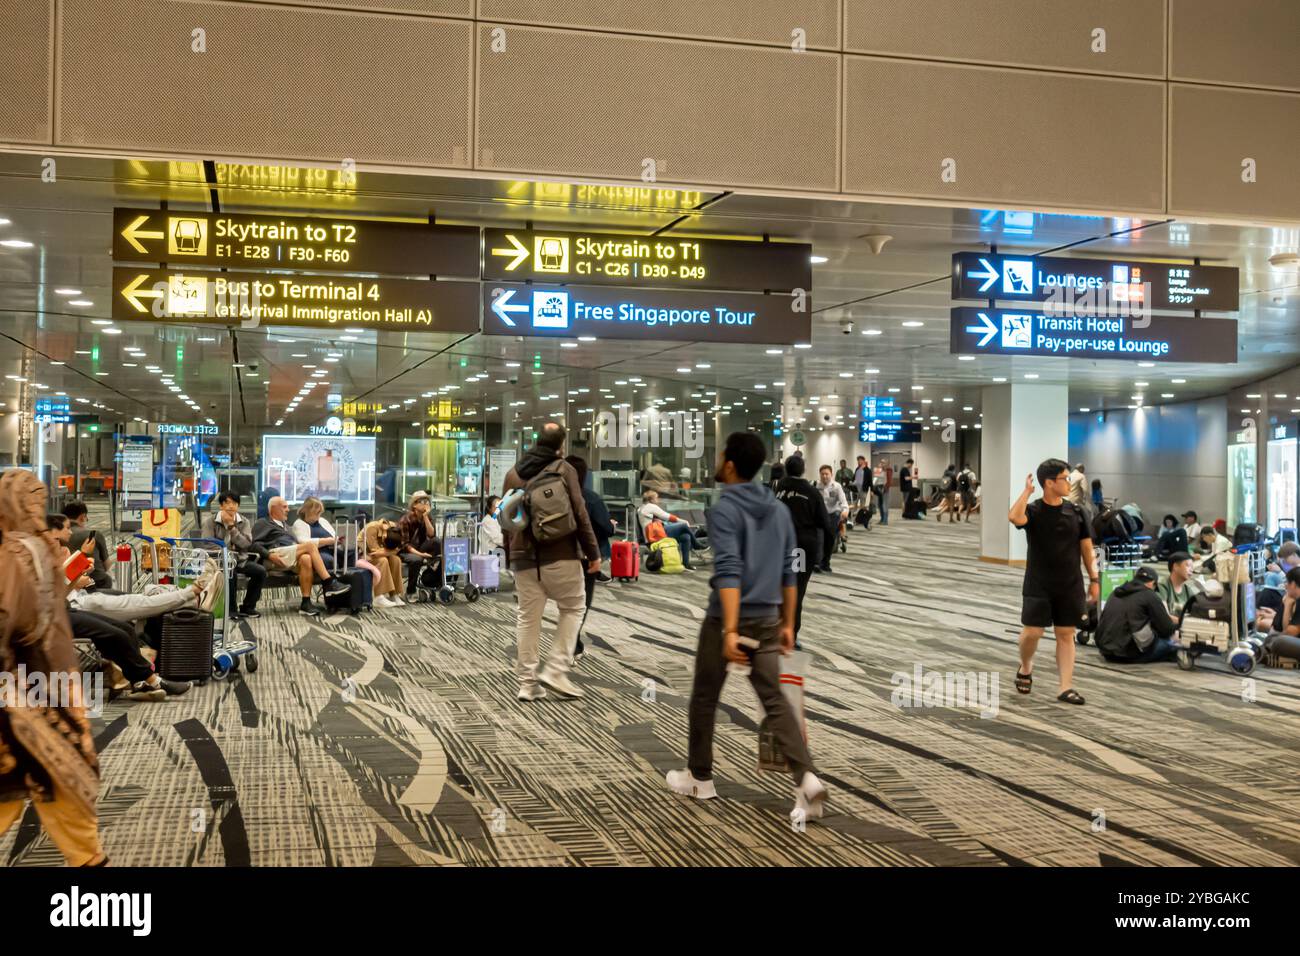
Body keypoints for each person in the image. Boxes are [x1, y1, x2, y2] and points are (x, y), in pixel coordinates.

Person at [664, 432, 827, 822]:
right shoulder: (777, 511)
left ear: (731, 464)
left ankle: (700, 778)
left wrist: (731, 631)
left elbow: (730, 572)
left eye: (722, 456)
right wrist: (788, 623)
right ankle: (806, 780)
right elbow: (791, 569)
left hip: (727, 618)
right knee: (775, 700)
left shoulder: (723, 510)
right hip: (770, 617)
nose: (719, 460)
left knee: (705, 696)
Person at [0, 469, 106, 866]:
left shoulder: (24, 548)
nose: (35, 508)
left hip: (39, 686)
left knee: (49, 788)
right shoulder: (27, 550)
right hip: (39, 688)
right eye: (31, 501)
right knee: (65, 789)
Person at [502, 423, 600, 701]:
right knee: (573, 607)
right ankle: (556, 669)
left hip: (524, 558)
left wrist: (511, 556)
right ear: (561, 446)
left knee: (527, 619)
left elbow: (505, 518)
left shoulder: (513, 474)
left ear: (535, 441)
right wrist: (593, 554)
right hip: (561, 554)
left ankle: (528, 684)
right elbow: (580, 514)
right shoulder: (563, 469)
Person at [1009, 458, 1099, 705]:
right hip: (1039, 583)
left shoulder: (1077, 512)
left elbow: (1087, 548)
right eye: (1065, 478)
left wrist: (1094, 578)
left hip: (1070, 584)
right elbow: (1015, 518)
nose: (1069, 482)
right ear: (1049, 483)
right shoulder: (1035, 510)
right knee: (1032, 633)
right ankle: (1026, 666)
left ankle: (1065, 687)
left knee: (1066, 633)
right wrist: (1027, 492)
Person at [252, 496, 350, 616]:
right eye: (284, 507)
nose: (288, 509)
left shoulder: (286, 526)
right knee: (310, 546)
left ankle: (306, 603)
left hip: (288, 556)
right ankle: (329, 582)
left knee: (306, 558)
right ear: (273, 509)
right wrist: (269, 555)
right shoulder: (263, 523)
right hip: (274, 555)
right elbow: (254, 545)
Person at [774, 455, 828, 646]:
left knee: (781, 587)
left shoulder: (779, 489)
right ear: (803, 470)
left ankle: (778, 628)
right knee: (796, 589)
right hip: (802, 546)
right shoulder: (811, 492)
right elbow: (825, 523)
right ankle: (790, 633)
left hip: (779, 544)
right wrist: (825, 557)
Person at [566, 455, 616, 663]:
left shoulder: (558, 497)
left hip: (562, 556)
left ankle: (571, 643)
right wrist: (611, 525)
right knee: (582, 602)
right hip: (587, 558)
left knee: (567, 603)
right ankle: (573, 644)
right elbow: (604, 527)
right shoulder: (591, 498)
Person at [1095, 566, 1182, 664]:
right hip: (1131, 654)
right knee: (1173, 642)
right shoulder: (1149, 595)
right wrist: (1179, 626)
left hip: (1106, 652)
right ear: (1153, 583)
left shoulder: (1115, 592)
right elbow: (1166, 629)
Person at [201, 491, 266, 619]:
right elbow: (208, 544)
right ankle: (231, 610)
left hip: (240, 560)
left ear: (238, 506)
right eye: (227, 503)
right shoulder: (211, 521)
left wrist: (232, 528)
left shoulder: (244, 521)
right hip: (219, 561)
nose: (231, 506)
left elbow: (246, 543)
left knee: (260, 571)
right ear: (221, 506)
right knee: (231, 572)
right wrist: (229, 551)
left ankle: (248, 606)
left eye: (234, 503)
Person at [639, 489, 701, 571]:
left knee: (686, 537)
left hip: (651, 536)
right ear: (651, 499)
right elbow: (667, 516)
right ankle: (696, 545)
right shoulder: (650, 506)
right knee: (684, 526)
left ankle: (686, 564)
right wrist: (684, 521)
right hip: (656, 536)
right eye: (656, 498)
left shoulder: (642, 508)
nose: (658, 500)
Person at [396, 491, 442, 599]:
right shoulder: (405, 520)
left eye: (427, 501)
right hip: (404, 551)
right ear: (415, 505)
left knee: (437, 542)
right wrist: (421, 554)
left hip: (419, 547)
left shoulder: (428, 517)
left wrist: (425, 516)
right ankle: (410, 591)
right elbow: (405, 545)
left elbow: (431, 535)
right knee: (416, 559)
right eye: (422, 501)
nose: (426, 503)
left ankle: (430, 579)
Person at [61, 500, 113, 591]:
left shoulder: (57, 538)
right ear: (82, 517)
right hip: (95, 584)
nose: (70, 532)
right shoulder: (93, 535)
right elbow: (107, 566)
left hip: (69, 584)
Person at [363, 517, 406, 608]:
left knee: (396, 560)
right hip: (364, 556)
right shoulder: (371, 528)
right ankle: (379, 597)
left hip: (381, 554)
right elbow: (374, 552)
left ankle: (394, 595)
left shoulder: (394, 527)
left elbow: (398, 547)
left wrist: (391, 551)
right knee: (383, 560)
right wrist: (391, 551)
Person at [815, 465, 848, 572]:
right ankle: (818, 563)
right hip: (820, 516)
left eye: (827, 474)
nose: (824, 476)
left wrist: (845, 510)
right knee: (819, 539)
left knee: (829, 540)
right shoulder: (816, 486)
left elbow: (843, 501)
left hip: (832, 515)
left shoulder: (836, 486)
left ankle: (826, 563)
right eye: (822, 474)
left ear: (831, 475)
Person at [293, 497, 339, 572]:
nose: (319, 514)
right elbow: (303, 542)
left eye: (320, 512)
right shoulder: (298, 523)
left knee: (352, 554)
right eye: (317, 512)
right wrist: (327, 541)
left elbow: (334, 536)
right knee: (329, 561)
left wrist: (337, 540)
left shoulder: (322, 521)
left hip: (333, 549)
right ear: (308, 511)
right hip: (316, 553)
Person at [1157, 551, 1203, 617]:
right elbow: (1164, 616)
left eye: (1192, 567)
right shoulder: (1162, 586)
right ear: (1175, 566)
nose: (1191, 570)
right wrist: (1184, 623)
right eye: (1188, 566)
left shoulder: (1188, 590)